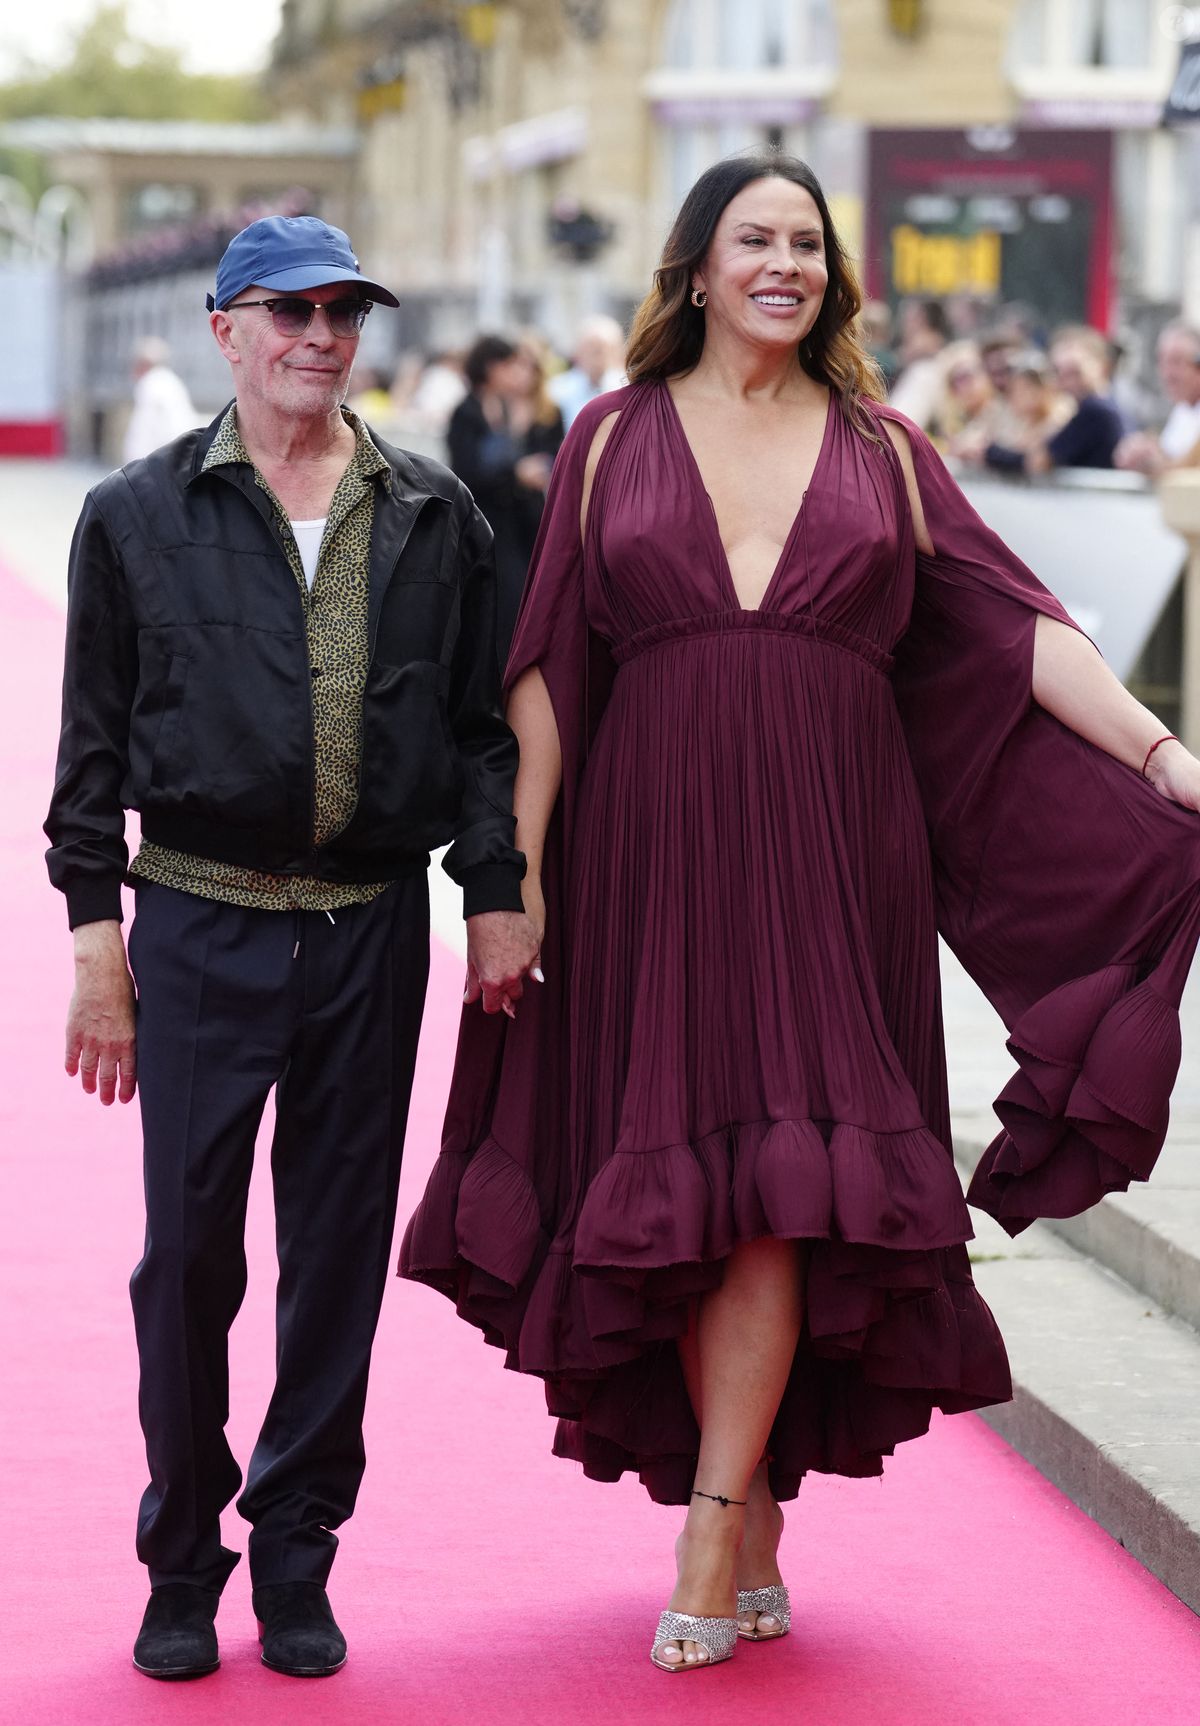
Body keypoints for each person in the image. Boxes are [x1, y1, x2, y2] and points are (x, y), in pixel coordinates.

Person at [400, 152, 1200, 1676]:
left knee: (783, 1176)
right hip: (650, 859)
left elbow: (1017, 631)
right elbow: (552, 669)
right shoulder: (609, 438)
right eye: (755, 239)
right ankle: (747, 1498)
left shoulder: (887, 448)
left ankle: (713, 1518)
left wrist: (1164, 753)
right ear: (694, 268)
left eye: (808, 244)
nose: (787, 263)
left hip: (839, 865)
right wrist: (518, 879)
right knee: (692, 1190)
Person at [45, 215, 538, 1683]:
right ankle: (181, 1558)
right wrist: (96, 946)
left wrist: (497, 886)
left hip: (370, 934)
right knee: (186, 1262)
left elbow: (475, 732)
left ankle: (299, 1552)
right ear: (226, 330)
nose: (322, 335)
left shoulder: (438, 511)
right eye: (292, 311)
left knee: (334, 1261)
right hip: (195, 925)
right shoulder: (136, 513)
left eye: (345, 312)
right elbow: (86, 755)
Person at [447, 334, 564, 660]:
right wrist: (515, 474)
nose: (516, 372)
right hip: (484, 523)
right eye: (509, 364)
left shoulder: (510, 408)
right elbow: (466, 470)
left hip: (519, 523)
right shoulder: (468, 411)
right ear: (491, 367)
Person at [992, 326, 1128, 474]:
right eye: (1059, 372)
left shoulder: (1095, 410)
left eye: (1075, 372)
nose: (1067, 382)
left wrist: (990, 452)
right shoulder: (1099, 408)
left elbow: (1038, 462)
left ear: (1102, 366)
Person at [1115, 320, 1200, 477]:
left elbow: (1186, 471)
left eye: (1177, 362)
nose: (1168, 373)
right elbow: (1171, 457)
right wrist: (1144, 449)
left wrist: (1149, 463)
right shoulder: (1183, 410)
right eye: (1162, 361)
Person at [122, 336, 199, 462]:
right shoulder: (171, 381)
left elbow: (144, 431)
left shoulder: (151, 384)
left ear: (143, 364)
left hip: (160, 460)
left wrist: (133, 466)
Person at [547, 313, 626, 427]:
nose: (599, 358)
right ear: (578, 351)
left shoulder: (627, 387)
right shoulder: (556, 390)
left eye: (604, 350)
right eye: (592, 349)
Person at [887, 296, 951, 430]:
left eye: (910, 316)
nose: (904, 321)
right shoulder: (907, 354)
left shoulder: (926, 370)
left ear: (921, 319)